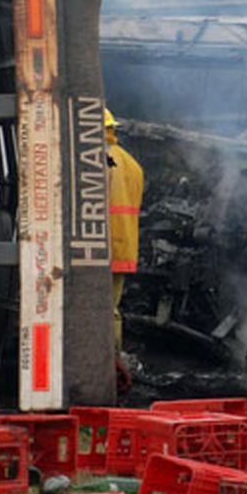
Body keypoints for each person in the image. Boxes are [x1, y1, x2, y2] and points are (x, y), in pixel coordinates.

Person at [106, 108, 145, 351]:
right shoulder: (132, 164)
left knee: (91, 309)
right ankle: (113, 361)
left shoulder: (95, 161)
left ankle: (103, 367)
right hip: (124, 247)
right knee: (110, 309)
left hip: (99, 247)